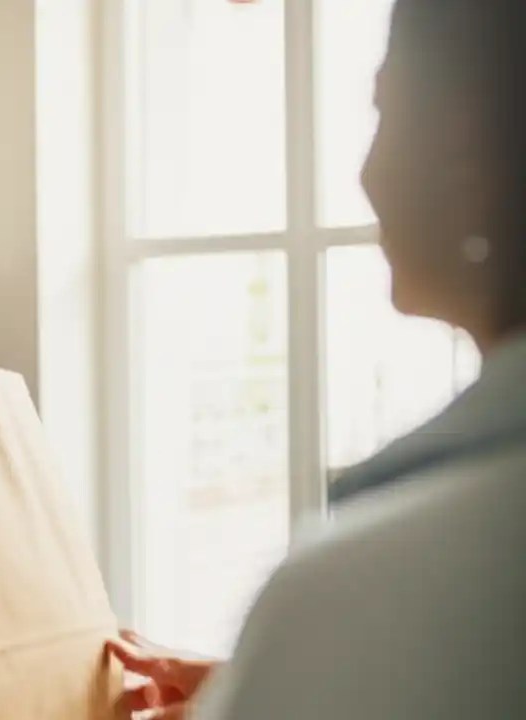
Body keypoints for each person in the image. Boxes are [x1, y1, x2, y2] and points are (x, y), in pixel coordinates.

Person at [107, 1, 526, 717]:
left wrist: (301, 670)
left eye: (386, 113)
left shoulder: (381, 584)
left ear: (468, 148)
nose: (366, 175)